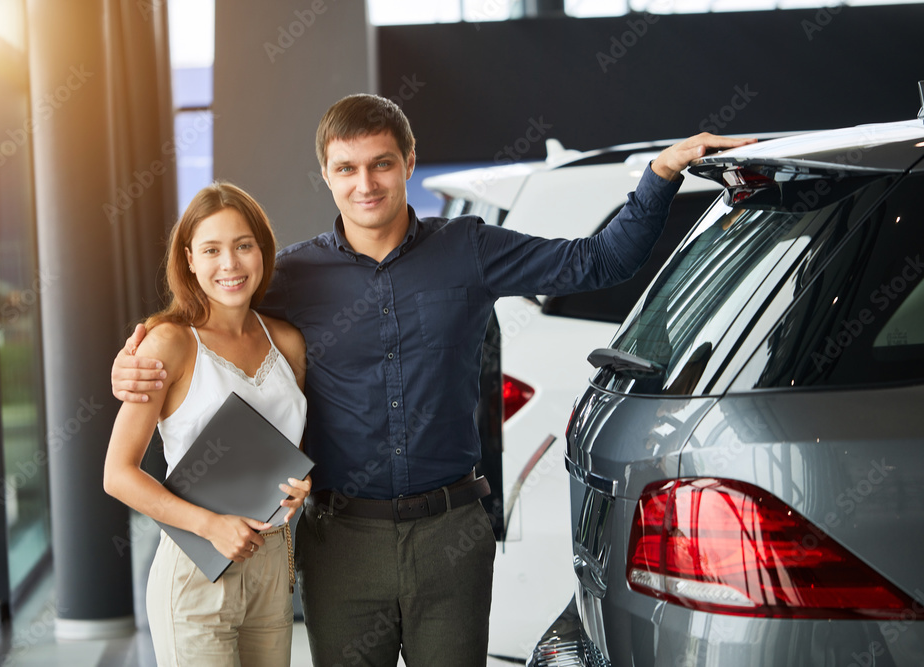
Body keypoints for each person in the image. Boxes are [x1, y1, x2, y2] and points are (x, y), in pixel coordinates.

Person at [112, 94, 755, 666]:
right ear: (327, 176)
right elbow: (212, 309)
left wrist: (662, 174)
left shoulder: (468, 248)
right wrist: (134, 357)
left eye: (381, 164)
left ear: (409, 161)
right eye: (347, 169)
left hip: (452, 535)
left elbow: (599, 260)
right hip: (342, 541)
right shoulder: (294, 277)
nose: (366, 184)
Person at [103, 182, 310, 666]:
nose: (230, 264)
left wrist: (305, 487)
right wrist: (211, 525)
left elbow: (297, 448)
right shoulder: (169, 343)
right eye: (212, 250)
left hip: (274, 564)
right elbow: (117, 474)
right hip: (196, 564)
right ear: (190, 261)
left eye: (243, 245)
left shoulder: (289, 342)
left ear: (262, 249)